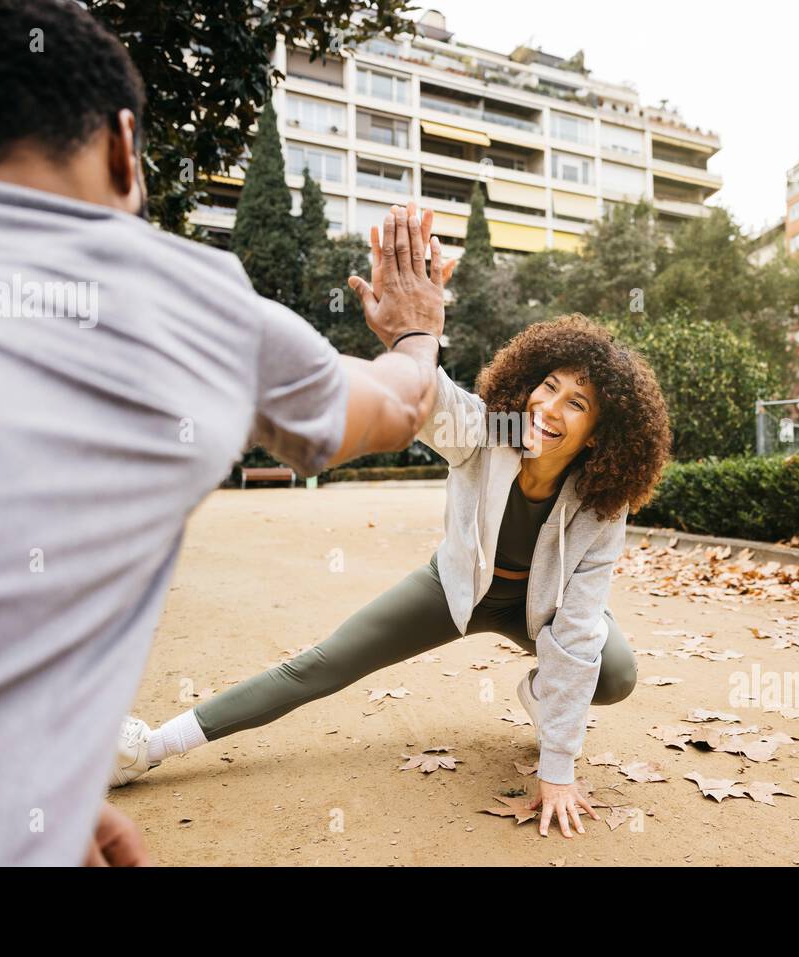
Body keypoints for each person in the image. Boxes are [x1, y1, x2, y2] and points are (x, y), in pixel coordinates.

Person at [0, 0, 447, 865]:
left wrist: (27, 790)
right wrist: (418, 329)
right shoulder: (182, 300)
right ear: (125, 148)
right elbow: (397, 406)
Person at [113, 273, 674, 837]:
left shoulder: (603, 503)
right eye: (547, 386)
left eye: (576, 404)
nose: (547, 408)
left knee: (614, 670)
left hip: (540, 610)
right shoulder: (488, 430)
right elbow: (429, 398)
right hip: (455, 589)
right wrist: (413, 336)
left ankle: (538, 696)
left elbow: (576, 630)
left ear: (599, 436)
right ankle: (149, 746)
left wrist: (557, 768)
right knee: (325, 662)